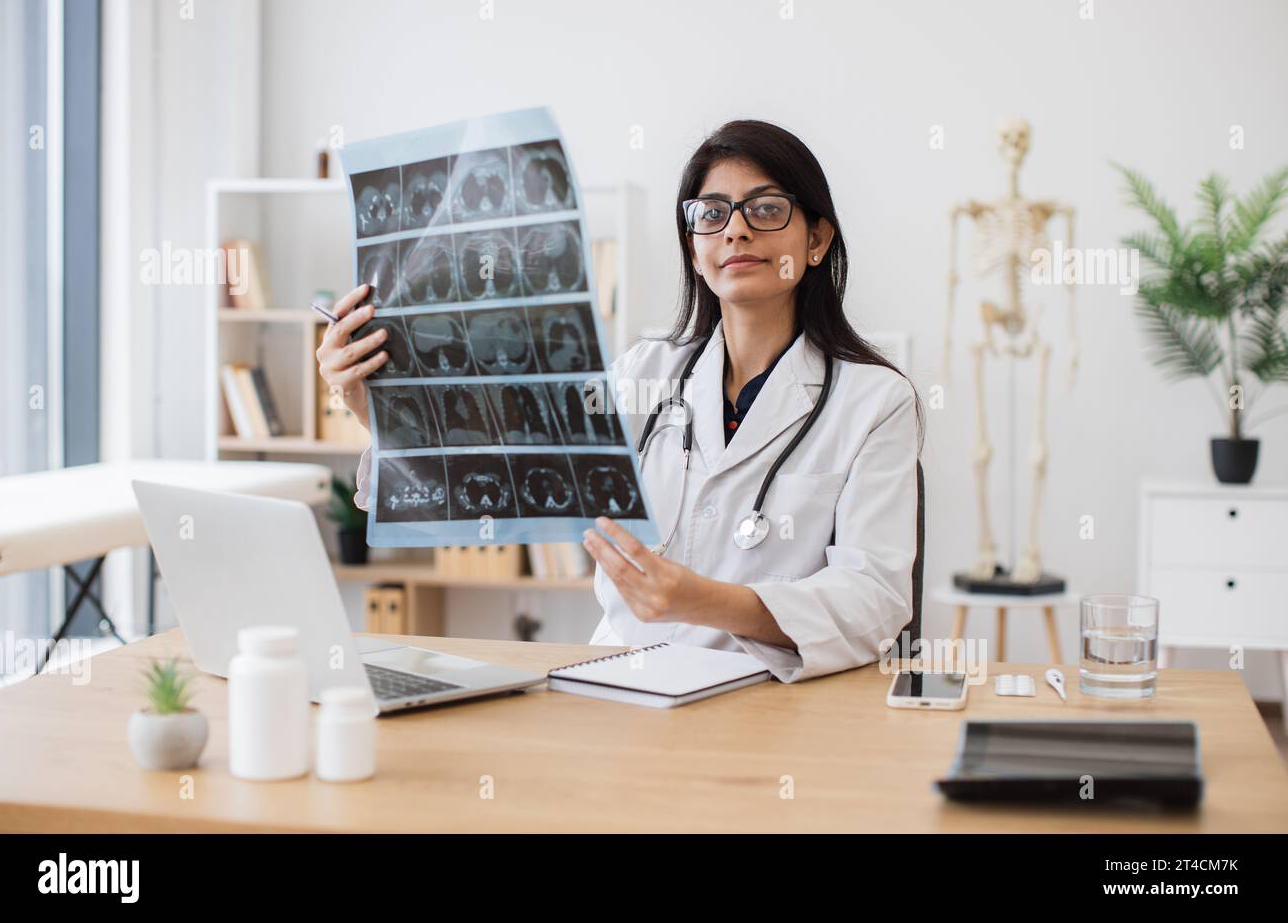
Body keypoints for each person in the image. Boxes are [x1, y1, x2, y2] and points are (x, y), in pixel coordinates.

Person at [318, 118, 922, 683]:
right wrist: (367, 400)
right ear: (693, 249)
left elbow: (875, 601)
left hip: (769, 697)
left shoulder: (875, 401)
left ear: (816, 240)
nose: (735, 228)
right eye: (711, 214)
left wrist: (702, 601)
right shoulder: (645, 371)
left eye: (766, 209)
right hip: (622, 677)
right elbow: (508, 479)